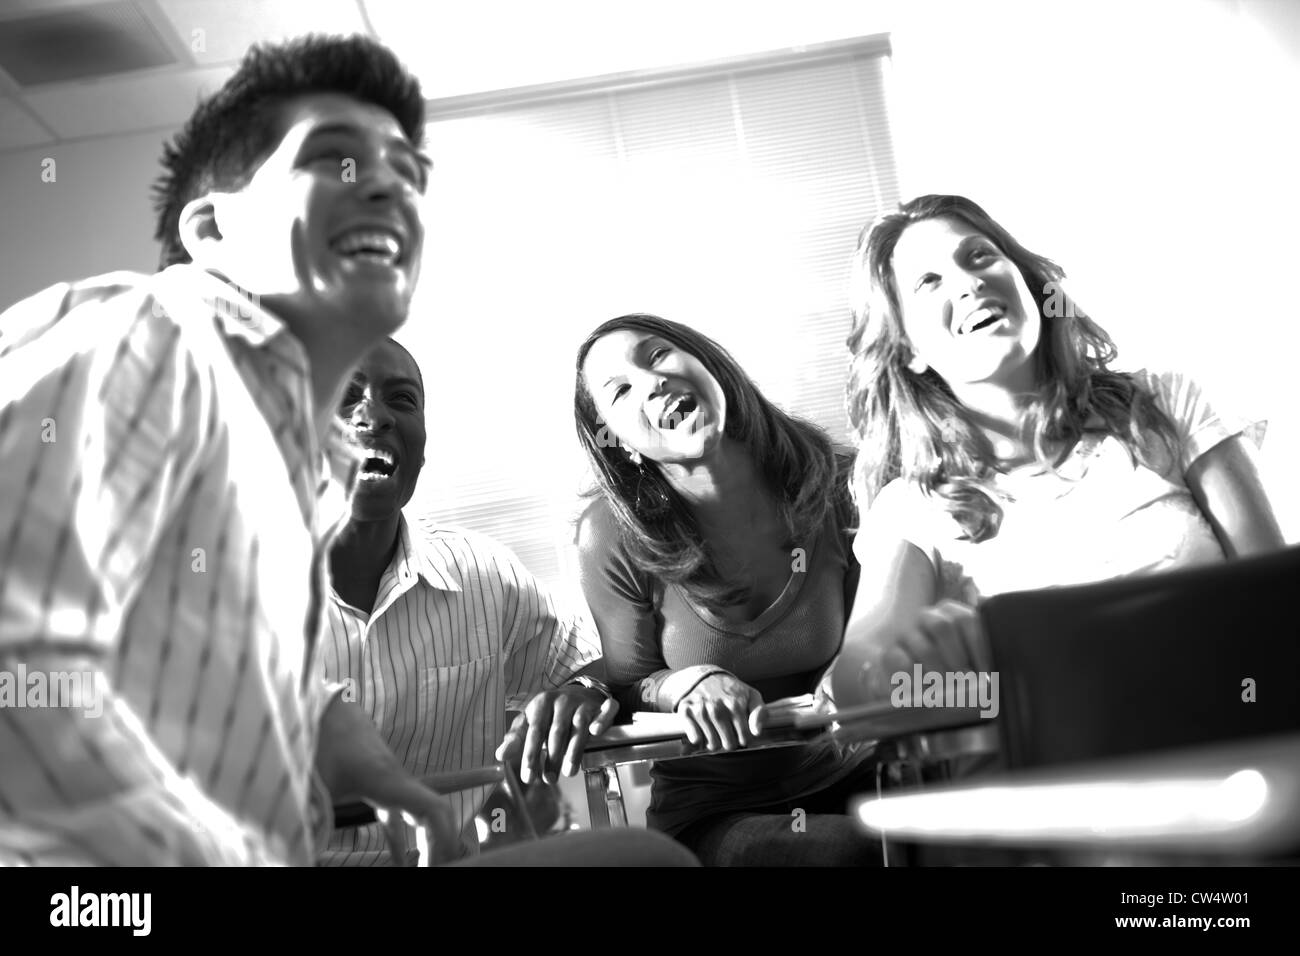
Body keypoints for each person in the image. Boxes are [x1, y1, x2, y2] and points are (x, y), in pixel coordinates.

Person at [0, 34, 465, 865]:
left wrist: (387, 779)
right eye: (337, 158)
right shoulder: (165, 339)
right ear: (213, 229)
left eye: (410, 170)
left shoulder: (284, 441)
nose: (391, 184)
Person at [830, 193, 1287, 713]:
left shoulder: (1166, 403)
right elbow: (858, 686)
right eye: (928, 282)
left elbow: (1276, 592)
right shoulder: (914, 508)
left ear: (1030, 285)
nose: (968, 281)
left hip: (1235, 744)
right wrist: (1008, 692)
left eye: (980, 256)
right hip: (1060, 780)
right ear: (907, 349)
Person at [320, 337, 694, 866]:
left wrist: (582, 692)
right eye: (342, 396)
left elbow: (594, 668)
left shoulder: (481, 572)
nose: (374, 416)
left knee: (650, 858)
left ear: (423, 446)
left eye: (401, 400)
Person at [573, 313, 882, 866]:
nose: (651, 383)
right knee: (851, 854)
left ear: (708, 363)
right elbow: (629, 681)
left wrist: (861, 659)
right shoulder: (610, 533)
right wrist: (688, 683)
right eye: (619, 391)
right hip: (716, 814)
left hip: (858, 773)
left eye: (657, 356)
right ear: (618, 443)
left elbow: (881, 623)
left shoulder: (841, 482)